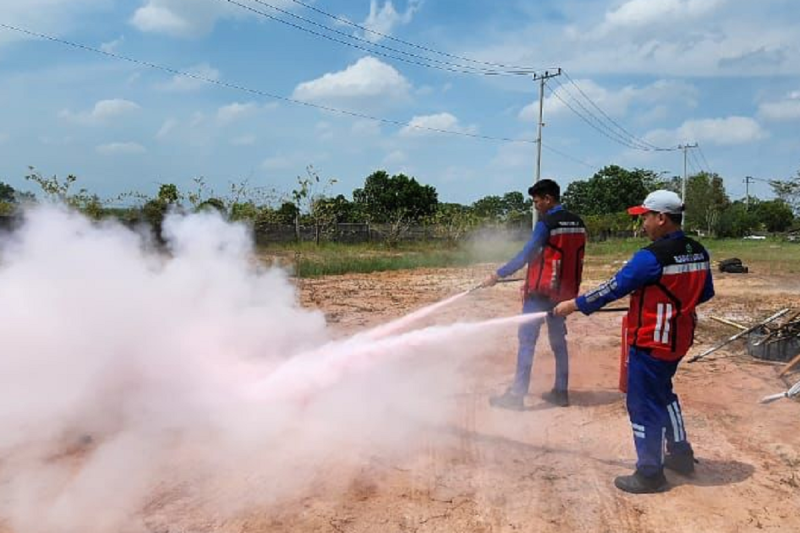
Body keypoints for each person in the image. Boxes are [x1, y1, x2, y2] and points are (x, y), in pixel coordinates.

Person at [553, 190, 715, 494]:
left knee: (642, 404)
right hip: (678, 338)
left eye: (645, 217)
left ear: (662, 218)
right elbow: (704, 294)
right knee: (664, 393)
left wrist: (573, 305)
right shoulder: (698, 250)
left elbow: (611, 289)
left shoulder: (650, 257)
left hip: (652, 339)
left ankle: (650, 472)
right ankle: (680, 455)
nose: (642, 223)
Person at [482, 179, 586, 410]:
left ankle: (517, 396)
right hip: (564, 294)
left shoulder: (546, 223)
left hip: (540, 294)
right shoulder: (579, 223)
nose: (536, 206)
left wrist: (498, 275)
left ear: (548, 199)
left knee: (527, 341)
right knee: (559, 343)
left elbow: (526, 254)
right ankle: (561, 392)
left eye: (537, 201)